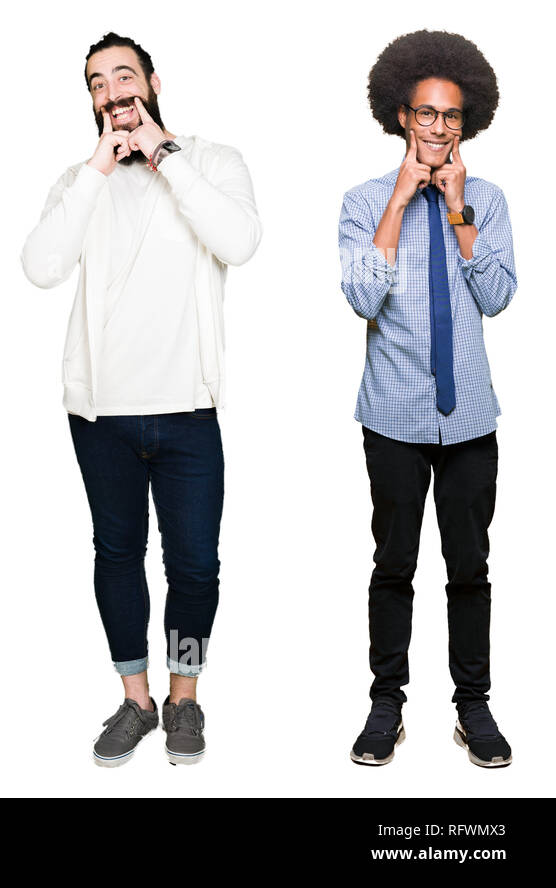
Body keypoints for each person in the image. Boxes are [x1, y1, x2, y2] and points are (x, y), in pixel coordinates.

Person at [22, 33, 260, 767]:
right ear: (92, 101)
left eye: (125, 75)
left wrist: (162, 154)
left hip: (189, 409)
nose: (113, 90)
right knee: (116, 555)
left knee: (194, 564)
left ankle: (185, 698)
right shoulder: (80, 179)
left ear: (153, 82)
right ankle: (136, 698)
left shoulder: (213, 162)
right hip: (103, 413)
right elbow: (40, 265)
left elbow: (240, 241)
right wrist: (100, 163)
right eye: (98, 83)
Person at [340, 30, 516, 768]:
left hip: (470, 417)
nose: (439, 127)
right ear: (401, 116)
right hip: (394, 418)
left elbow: (499, 296)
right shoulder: (362, 202)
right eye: (426, 113)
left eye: (451, 115)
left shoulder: (488, 200)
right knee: (394, 567)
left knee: (469, 567)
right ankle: (387, 704)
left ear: (464, 121)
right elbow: (360, 294)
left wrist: (456, 211)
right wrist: (405, 198)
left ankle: (472, 707)